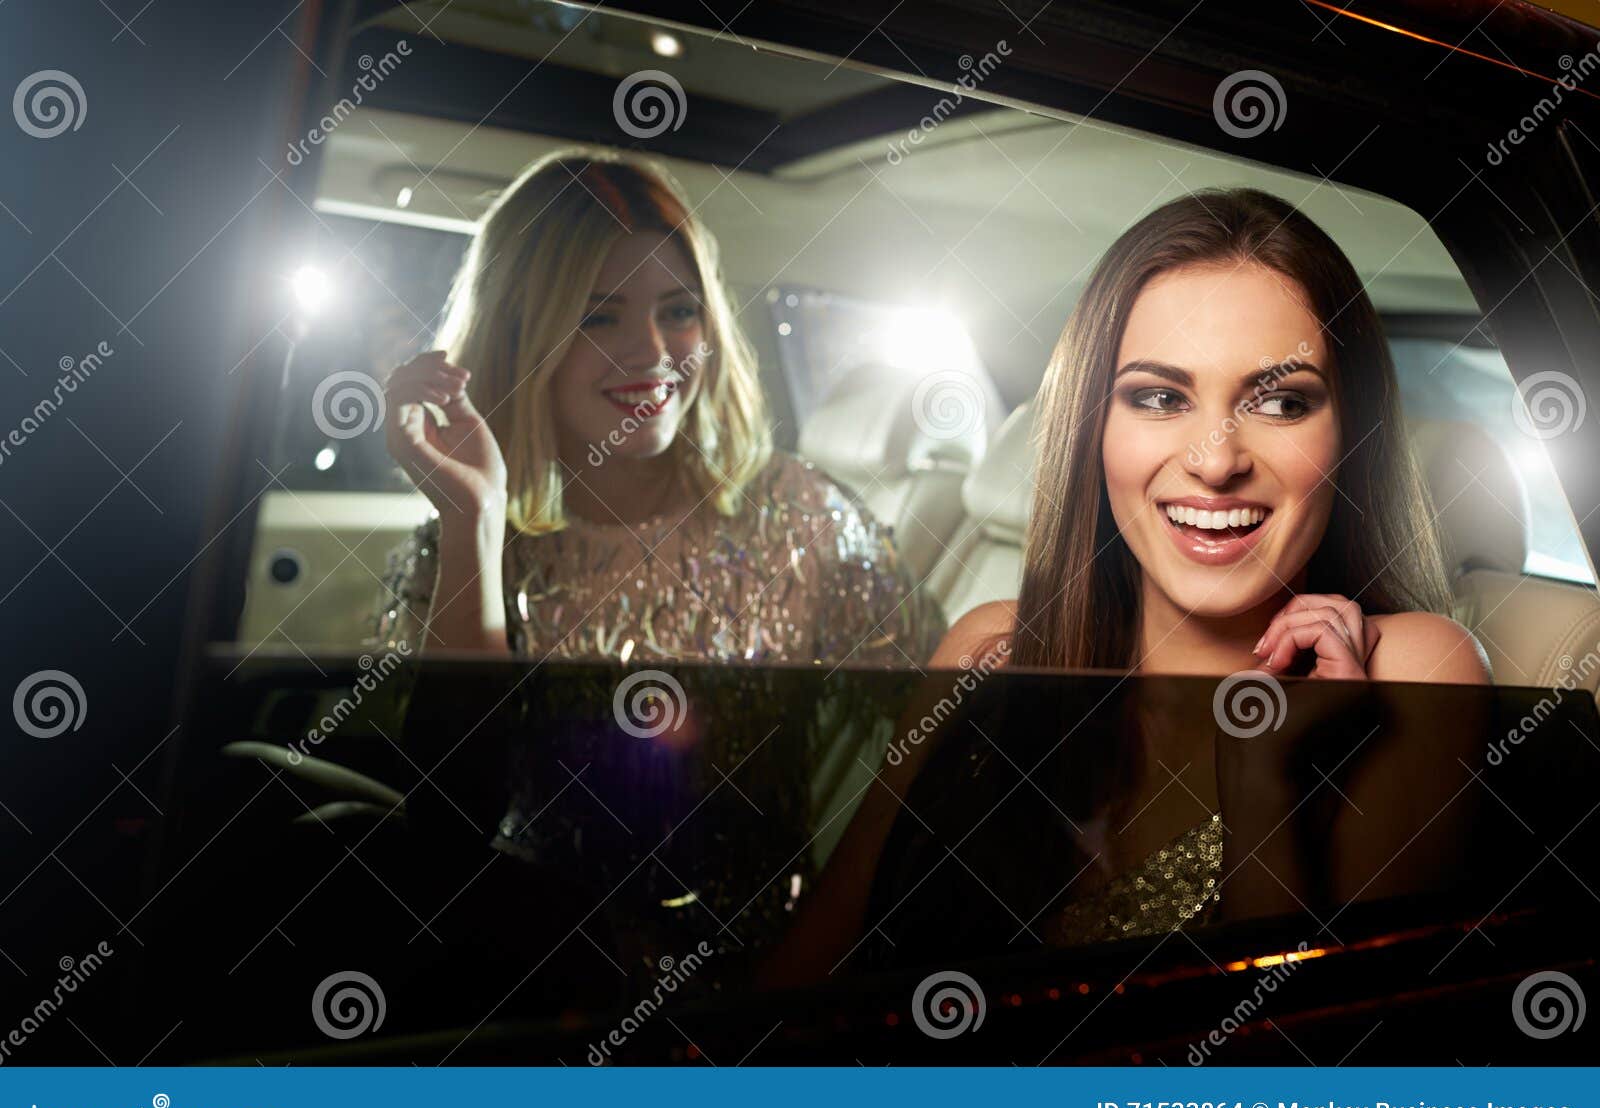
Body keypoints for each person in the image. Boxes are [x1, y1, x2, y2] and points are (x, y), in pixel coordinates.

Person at [763, 188, 1491, 984]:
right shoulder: (987, 649)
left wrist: (1259, 788)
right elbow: (803, 977)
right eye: (1161, 397)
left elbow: (1318, 1060)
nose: (1216, 461)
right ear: (1094, 427)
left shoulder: (1414, 671)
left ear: (1351, 433)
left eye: (1282, 402)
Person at [368, 147, 944, 666]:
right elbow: (453, 751)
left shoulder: (807, 519)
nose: (651, 352)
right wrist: (475, 519)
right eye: (599, 318)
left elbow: (929, 726)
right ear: (517, 337)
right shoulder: (460, 544)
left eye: (678, 312)